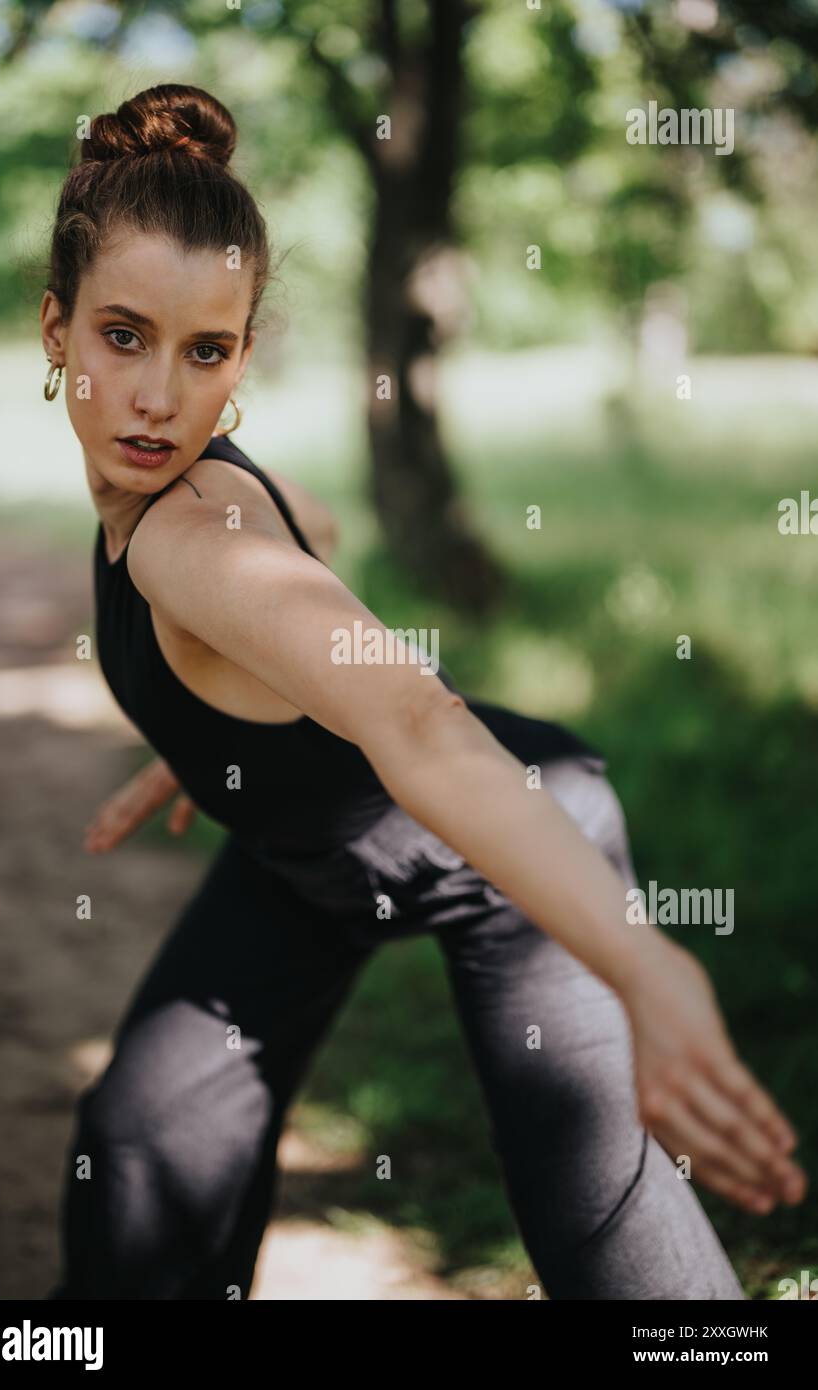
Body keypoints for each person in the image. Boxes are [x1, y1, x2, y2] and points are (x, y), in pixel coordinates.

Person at [40, 84, 805, 1301]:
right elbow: (316, 532)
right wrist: (216, 719)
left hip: (500, 847)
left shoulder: (192, 539)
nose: (156, 397)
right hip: (308, 859)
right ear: (55, 331)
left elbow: (415, 721)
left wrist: (646, 964)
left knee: (599, 1221)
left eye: (206, 352)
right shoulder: (183, 497)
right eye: (122, 335)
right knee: (141, 1141)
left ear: (241, 355)